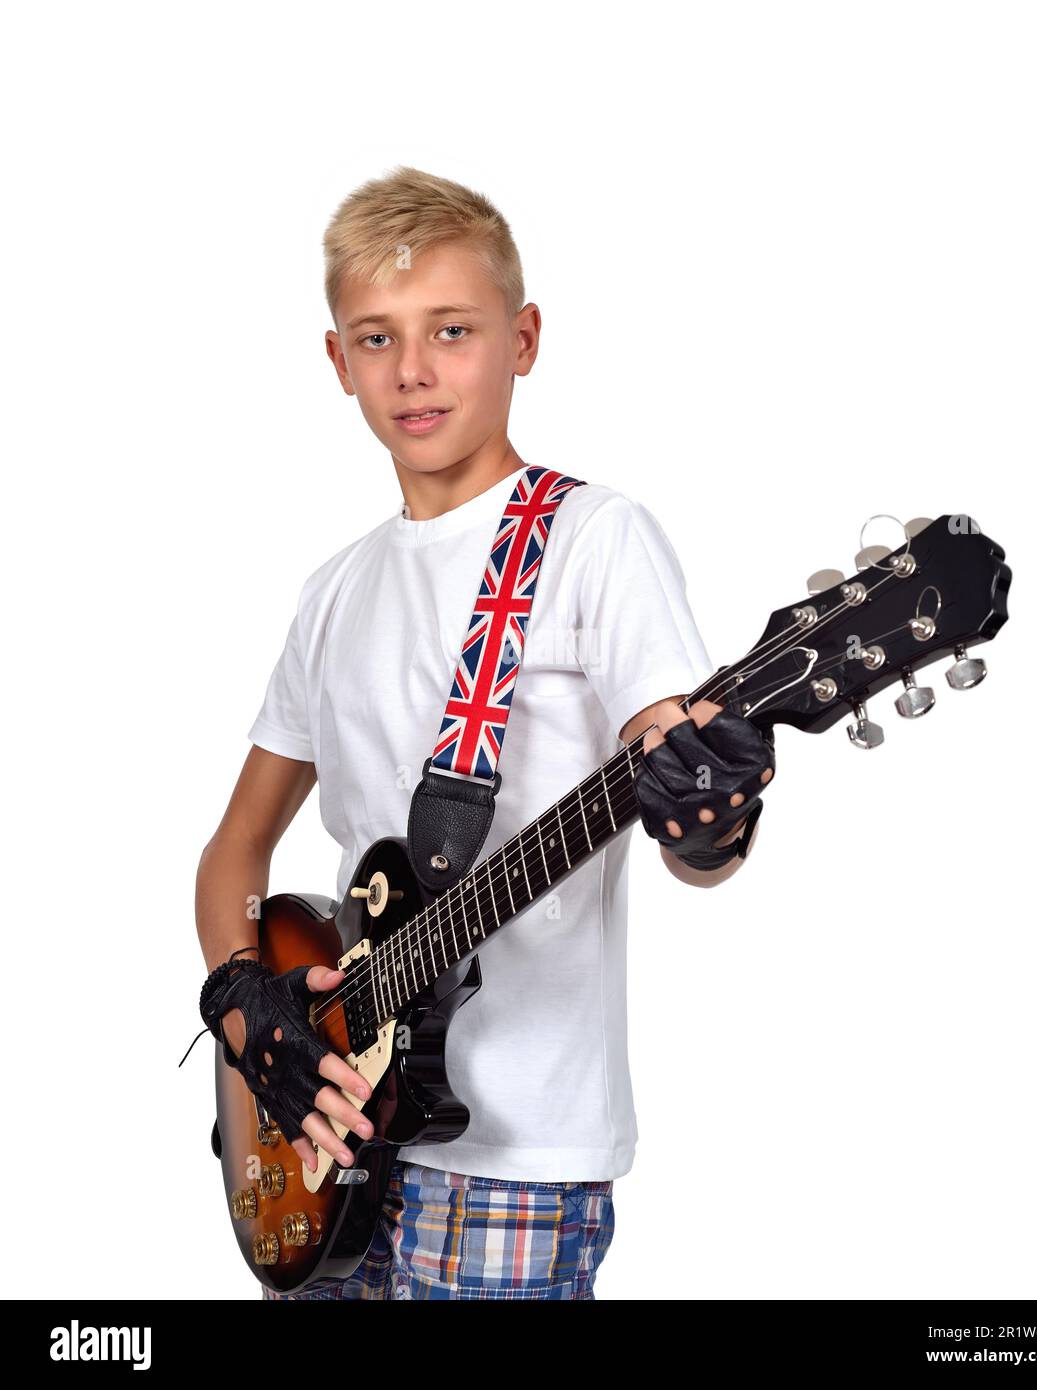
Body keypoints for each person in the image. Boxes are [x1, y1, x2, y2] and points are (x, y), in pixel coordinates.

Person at [194, 166, 775, 1301]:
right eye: (376, 338)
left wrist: (713, 817)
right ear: (337, 362)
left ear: (522, 338)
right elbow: (234, 851)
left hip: (516, 1165)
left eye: (450, 331)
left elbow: (690, 820)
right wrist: (239, 999)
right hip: (330, 1144)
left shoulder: (592, 540)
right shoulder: (333, 592)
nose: (412, 371)